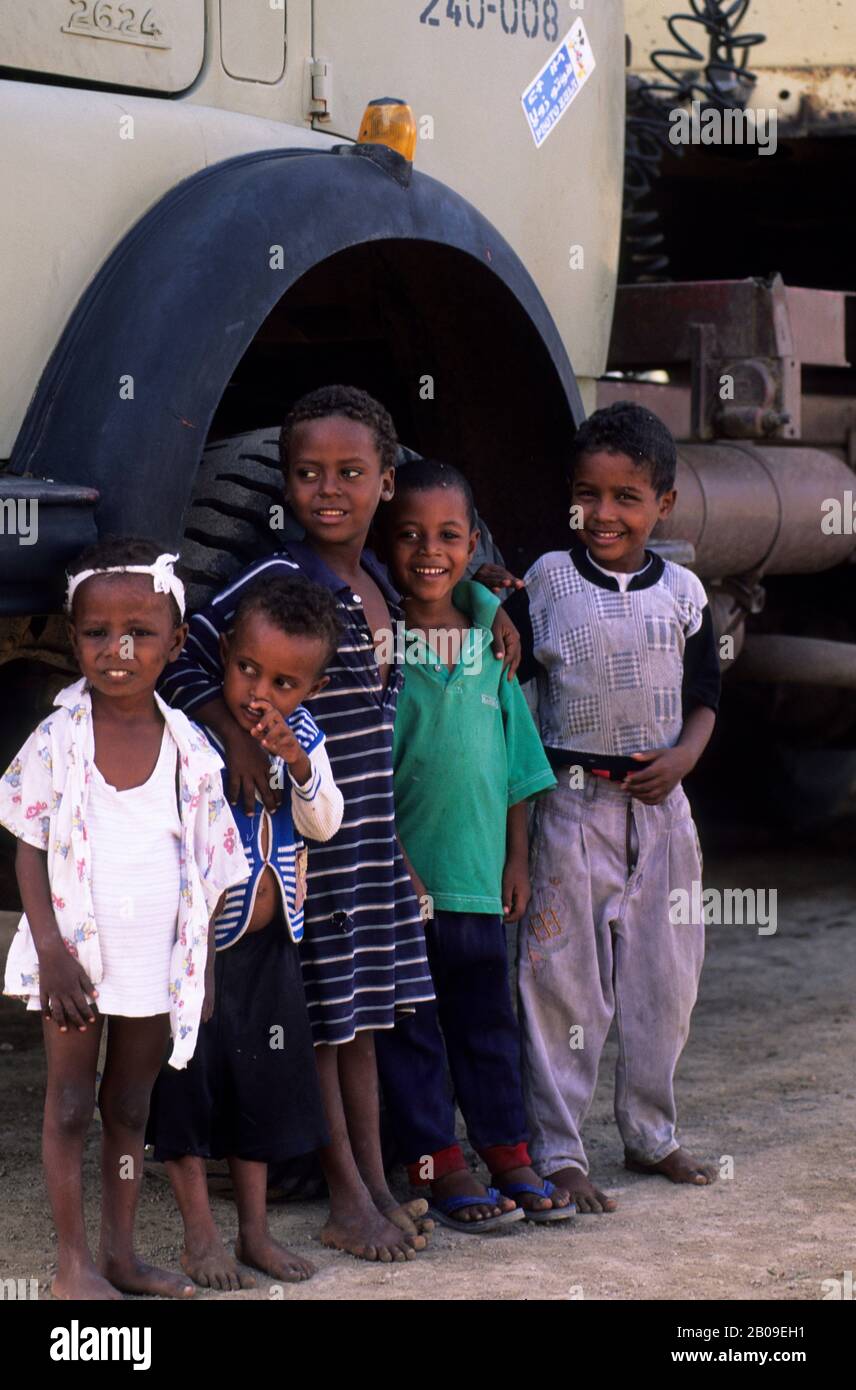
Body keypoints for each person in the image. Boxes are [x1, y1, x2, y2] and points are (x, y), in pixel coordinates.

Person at [161, 386, 520, 1261]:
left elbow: (386, 711)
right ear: (283, 484)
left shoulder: (386, 593)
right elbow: (182, 661)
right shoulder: (275, 583)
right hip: (305, 859)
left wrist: (491, 592)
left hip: (367, 852)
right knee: (322, 1029)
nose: (329, 489)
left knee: (363, 1026)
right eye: (308, 472)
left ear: (386, 481)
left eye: (351, 472)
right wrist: (234, 739)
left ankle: (371, 1178)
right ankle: (345, 1194)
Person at [0, 539, 249, 1300]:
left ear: (175, 643)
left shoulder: (191, 753)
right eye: (96, 633)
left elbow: (210, 873)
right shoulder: (56, 739)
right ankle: (71, 1267)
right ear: (73, 639)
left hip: (153, 960)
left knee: (130, 1105)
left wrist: (198, 971)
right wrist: (50, 951)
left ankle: (120, 1255)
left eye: (140, 632)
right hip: (74, 959)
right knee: (71, 1103)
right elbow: (29, 851)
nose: (117, 650)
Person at [507, 402, 721, 1215]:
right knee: (563, 984)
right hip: (571, 809)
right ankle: (559, 1151)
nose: (604, 514)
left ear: (662, 504)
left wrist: (685, 758)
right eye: (588, 495)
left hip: (663, 813)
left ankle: (651, 1133)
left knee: (663, 981)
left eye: (627, 497)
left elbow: (705, 696)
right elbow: (511, 681)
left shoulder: (687, 594)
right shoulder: (547, 584)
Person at [374, 460, 572, 1230]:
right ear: (384, 547)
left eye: (449, 536)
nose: (430, 550)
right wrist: (401, 868)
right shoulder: (383, 646)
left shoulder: (493, 646)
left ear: (474, 542)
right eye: (410, 536)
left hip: (481, 885)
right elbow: (366, 778)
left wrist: (516, 859)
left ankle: (505, 1151)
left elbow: (520, 766)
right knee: (414, 1031)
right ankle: (437, 1162)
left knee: (488, 1024)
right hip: (407, 888)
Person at [148, 576, 344, 1289]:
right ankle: (200, 1234)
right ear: (224, 654)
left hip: (271, 946)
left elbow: (325, 823)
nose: (260, 693)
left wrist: (296, 763)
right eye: (247, 670)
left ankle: (255, 1233)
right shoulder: (189, 736)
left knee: (261, 1086)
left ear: (312, 691)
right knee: (188, 1085)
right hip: (195, 950)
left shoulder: (308, 742)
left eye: (285, 682)